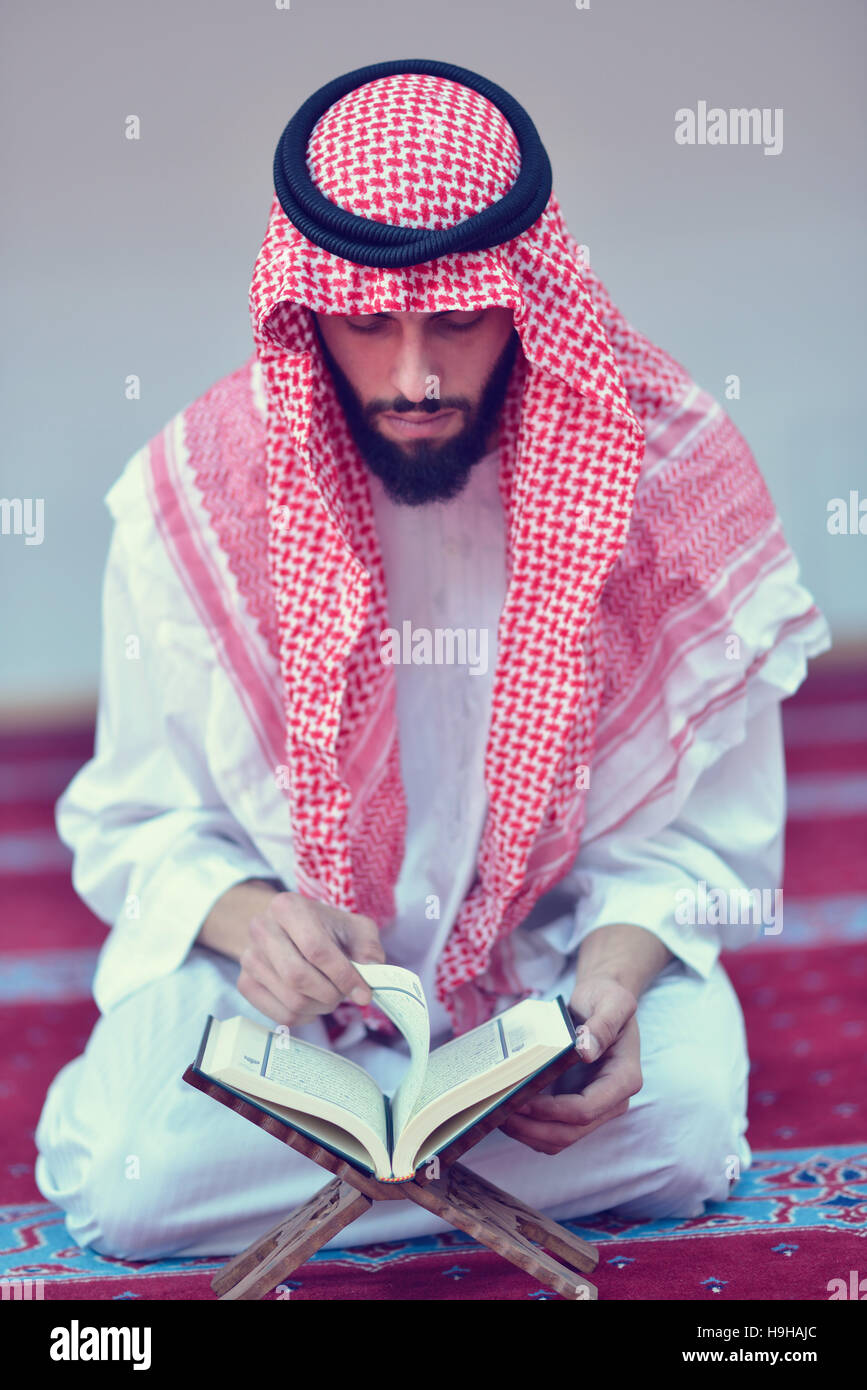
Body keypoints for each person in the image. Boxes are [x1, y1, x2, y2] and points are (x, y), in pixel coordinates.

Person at [34, 58, 830, 1261]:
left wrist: (615, 980)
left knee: (679, 1119)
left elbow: (700, 841)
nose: (414, 376)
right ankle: (417, 1158)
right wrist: (254, 925)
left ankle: (360, 1178)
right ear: (309, 312)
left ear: (523, 300)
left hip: (551, 986)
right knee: (136, 1180)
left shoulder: (664, 478)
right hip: (287, 1013)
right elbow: (134, 824)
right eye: (369, 324)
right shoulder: (192, 496)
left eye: (457, 319)